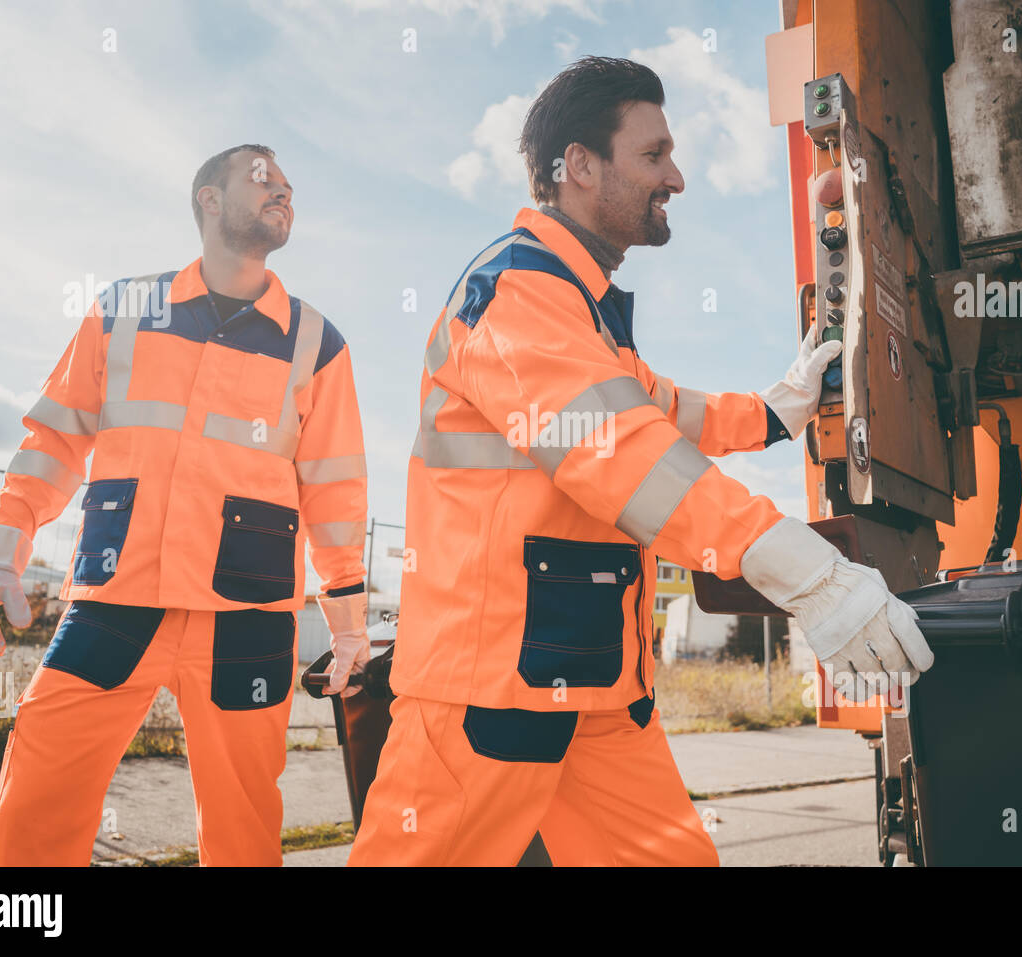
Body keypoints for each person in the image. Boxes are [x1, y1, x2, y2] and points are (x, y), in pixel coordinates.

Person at [348, 57, 932, 866]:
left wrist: (778, 408)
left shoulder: (587, 318)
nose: (678, 177)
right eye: (654, 155)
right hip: (485, 698)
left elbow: (664, 412)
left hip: (590, 691)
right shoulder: (516, 291)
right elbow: (623, 454)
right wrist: (812, 574)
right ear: (581, 166)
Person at [0, 144, 371, 866]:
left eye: (290, 186)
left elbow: (335, 490)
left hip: (248, 615)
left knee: (244, 828)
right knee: (38, 794)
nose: (284, 190)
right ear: (209, 200)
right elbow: (54, 440)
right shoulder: (124, 310)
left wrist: (348, 625)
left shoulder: (317, 342)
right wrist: (0, 555)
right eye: (262, 177)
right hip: (117, 596)